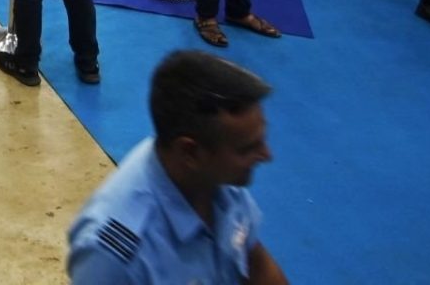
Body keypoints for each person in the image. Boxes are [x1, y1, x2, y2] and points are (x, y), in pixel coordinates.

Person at [66, 50, 285, 285]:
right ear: (189, 152)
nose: (266, 155)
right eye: (247, 149)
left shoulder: (217, 174)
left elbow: (256, 264)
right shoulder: (114, 258)